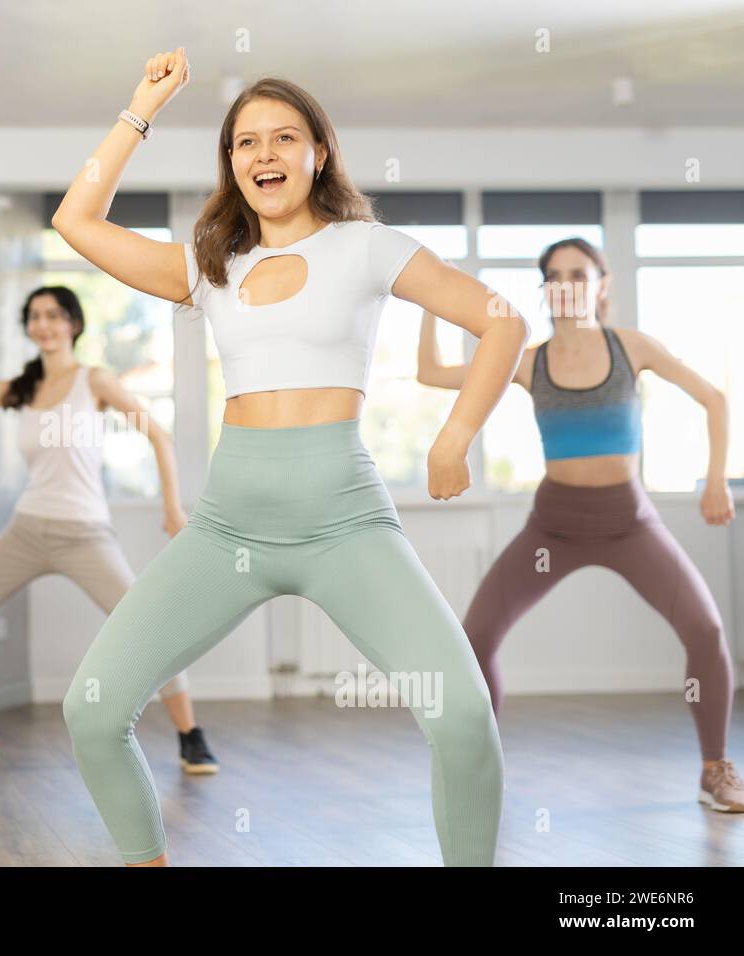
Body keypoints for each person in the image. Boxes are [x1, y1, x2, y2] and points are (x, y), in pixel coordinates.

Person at [52, 49, 530, 866]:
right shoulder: (210, 267)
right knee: (91, 710)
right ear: (230, 163)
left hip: (343, 519)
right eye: (245, 143)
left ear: (320, 154)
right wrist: (141, 108)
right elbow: (76, 222)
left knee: (459, 714)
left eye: (284, 138)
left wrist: (454, 437)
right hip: (228, 524)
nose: (264, 155)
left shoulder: (368, 247)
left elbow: (503, 321)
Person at [418, 236, 742, 812]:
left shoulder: (630, 347)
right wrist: (431, 299)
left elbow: (715, 399)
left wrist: (715, 479)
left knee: (708, 632)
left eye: (579, 274)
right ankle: (481, 770)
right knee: (477, 638)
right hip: (554, 529)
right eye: (555, 276)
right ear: (545, 289)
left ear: (601, 285)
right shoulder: (526, 360)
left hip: (630, 524)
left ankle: (715, 769)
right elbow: (431, 373)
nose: (567, 286)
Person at [0, 287, 218, 773]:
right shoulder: (22, 387)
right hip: (25, 530)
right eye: (35, 316)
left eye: (55, 315)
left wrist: (173, 508)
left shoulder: (95, 381)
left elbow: (158, 435)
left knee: (147, 629)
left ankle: (191, 736)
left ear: (74, 324)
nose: (44, 324)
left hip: (85, 534)